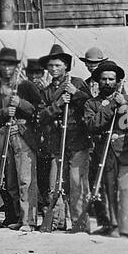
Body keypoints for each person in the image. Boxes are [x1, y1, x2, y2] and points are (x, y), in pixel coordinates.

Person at [85, 59, 128, 237]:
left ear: (117, 82)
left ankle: (126, 228)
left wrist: (123, 105)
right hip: (105, 151)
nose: (107, 82)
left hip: (126, 149)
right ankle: (112, 225)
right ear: (98, 81)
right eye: (104, 79)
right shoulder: (91, 104)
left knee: (125, 188)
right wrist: (111, 108)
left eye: (111, 79)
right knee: (108, 188)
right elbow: (92, 124)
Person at [38, 44, 90, 231]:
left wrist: (76, 94)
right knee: (56, 184)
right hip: (57, 142)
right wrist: (58, 104)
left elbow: (90, 105)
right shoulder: (46, 91)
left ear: (66, 66)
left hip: (77, 141)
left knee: (77, 185)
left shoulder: (76, 83)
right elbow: (42, 116)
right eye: (51, 66)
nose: (54, 69)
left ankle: (79, 224)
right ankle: (57, 221)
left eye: (58, 66)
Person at [0, 48, 40, 230]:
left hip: (22, 134)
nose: (6, 68)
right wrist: (4, 112)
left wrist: (21, 103)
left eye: (9, 64)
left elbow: (38, 109)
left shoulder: (25, 86)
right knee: (11, 181)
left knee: (25, 179)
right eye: (3, 64)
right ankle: (19, 218)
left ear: (16, 66)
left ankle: (29, 221)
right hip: (4, 134)